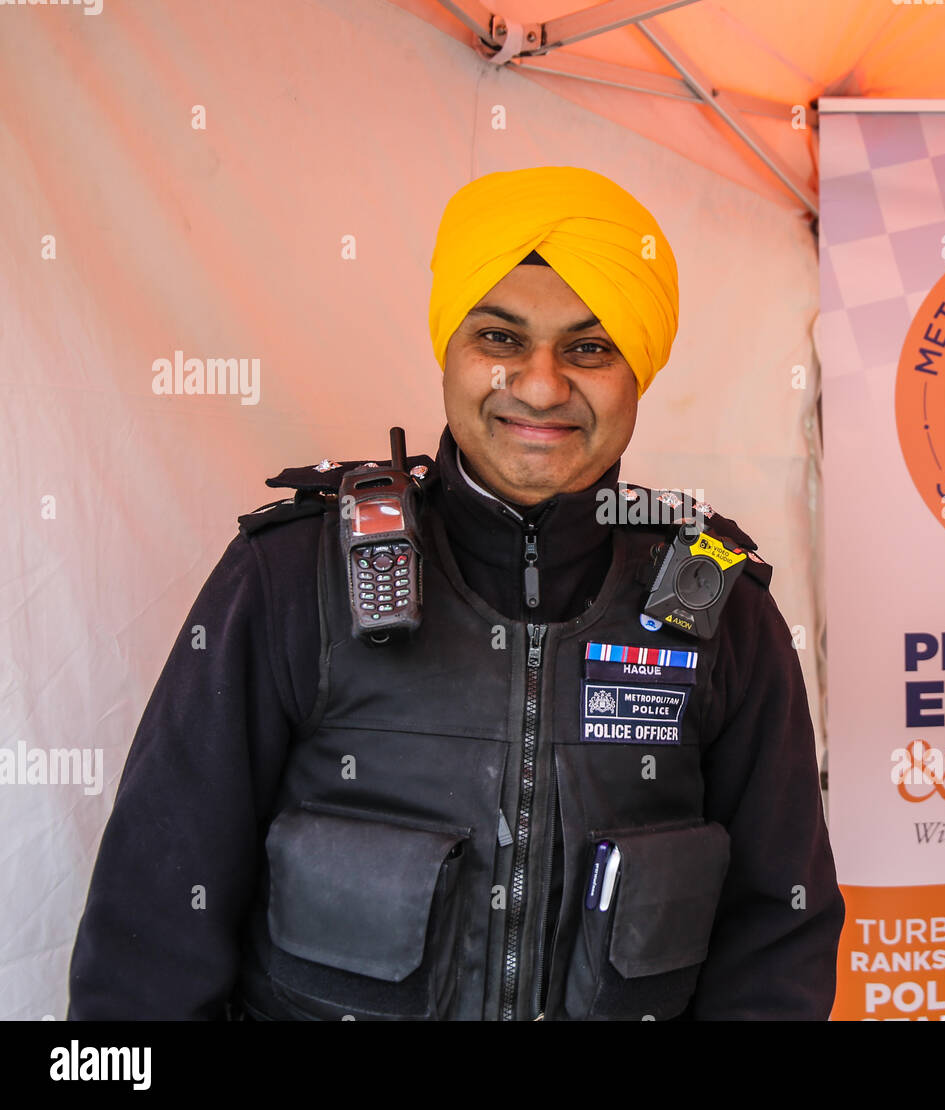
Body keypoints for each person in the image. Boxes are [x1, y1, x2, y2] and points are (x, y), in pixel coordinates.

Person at [66, 165, 844, 1021]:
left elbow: (778, 938)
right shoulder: (292, 578)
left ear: (640, 372)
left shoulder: (719, 610)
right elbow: (153, 929)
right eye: (501, 340)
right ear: (448, 351)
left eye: (590, 347)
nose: (541, 386)